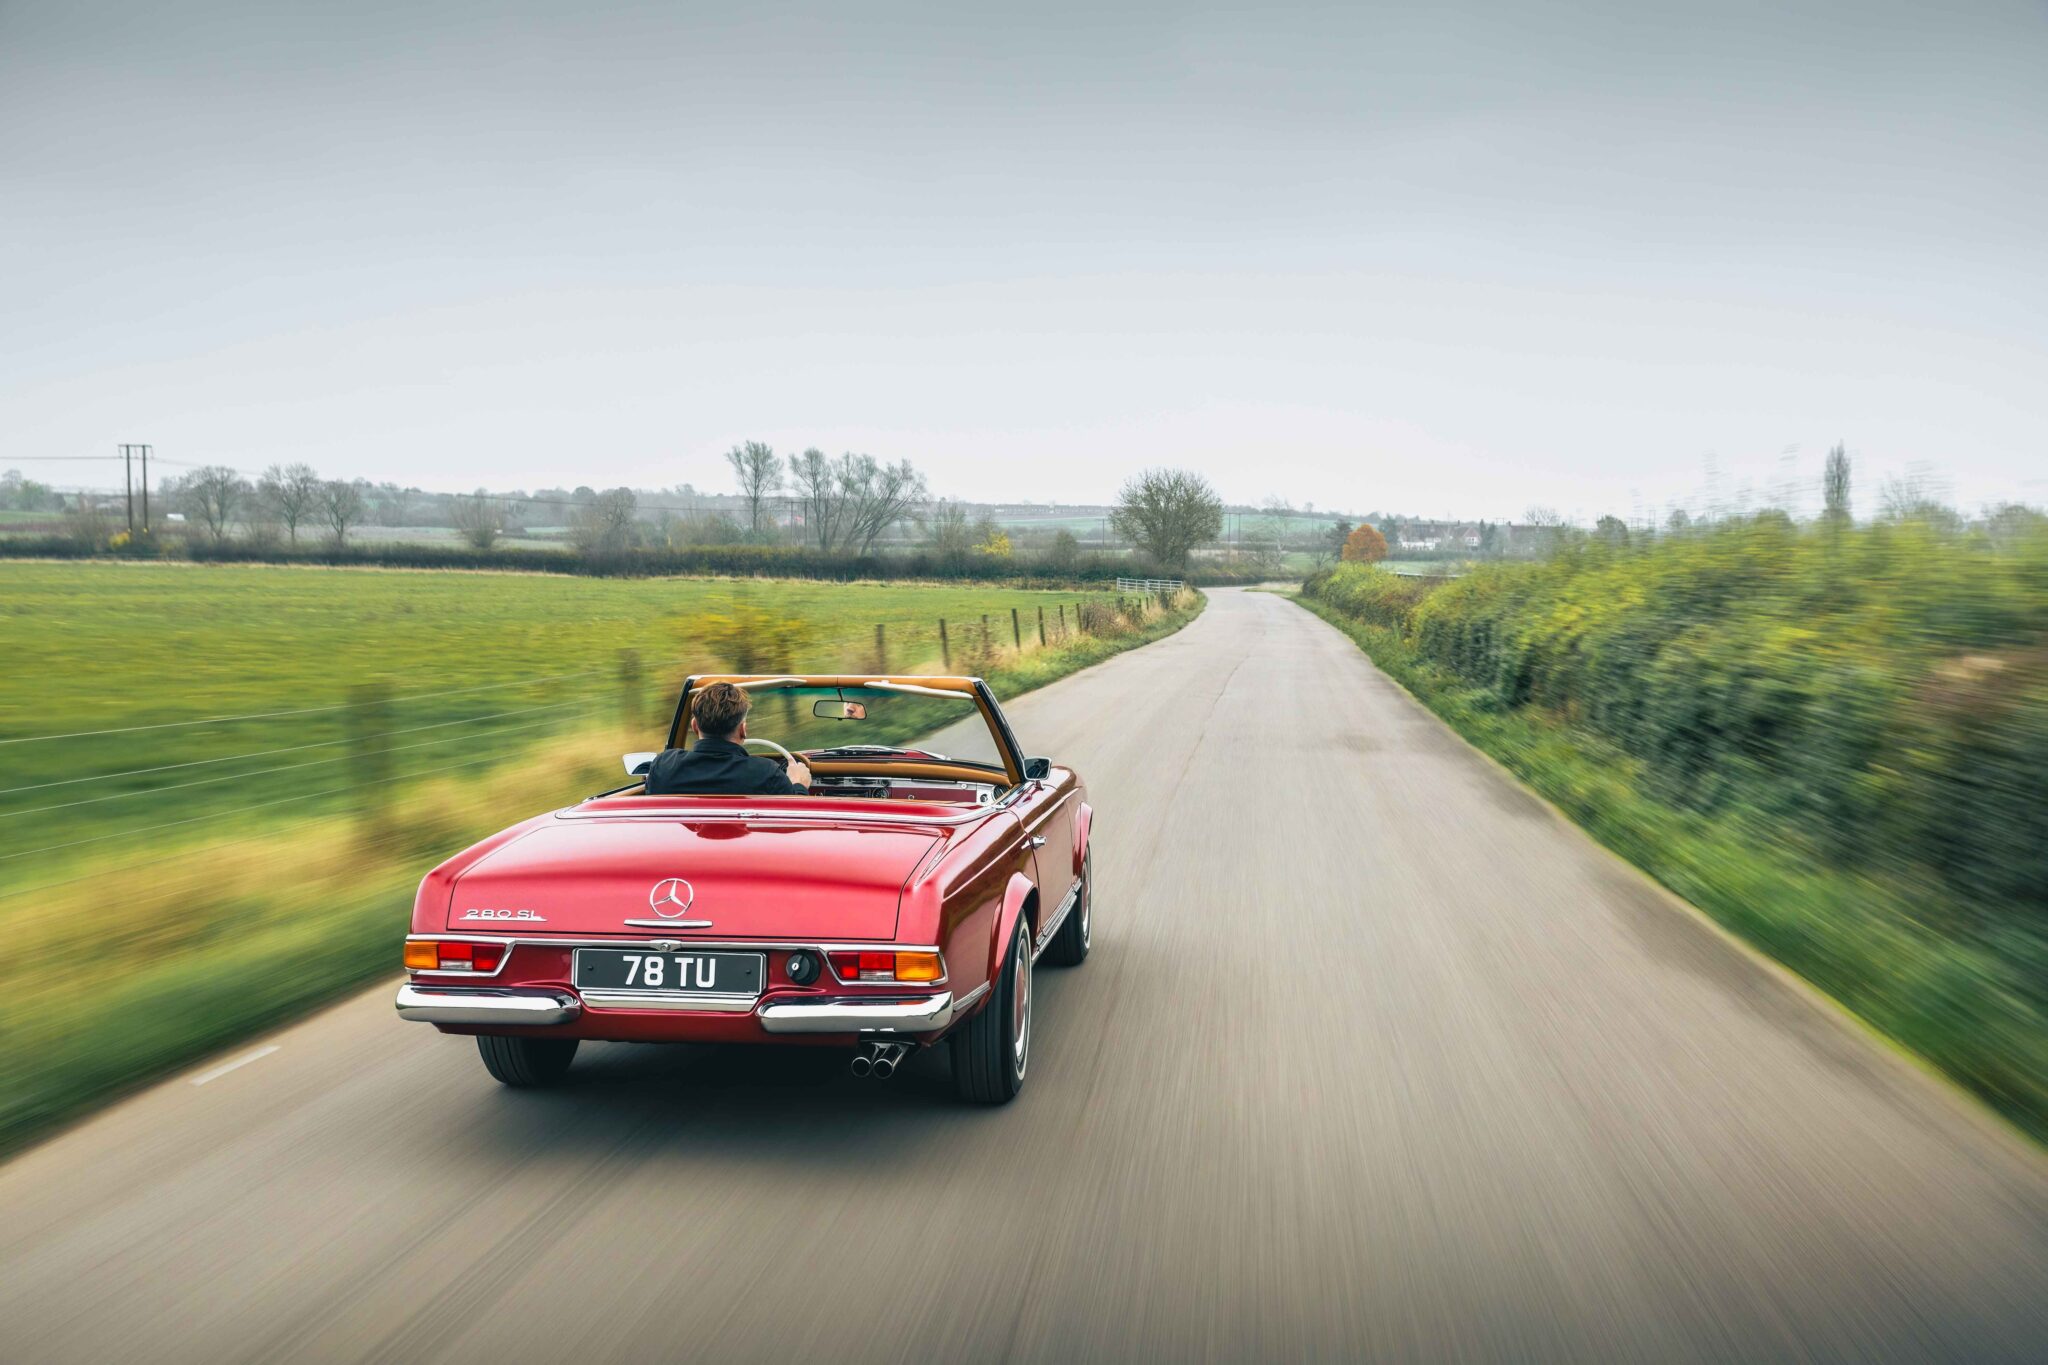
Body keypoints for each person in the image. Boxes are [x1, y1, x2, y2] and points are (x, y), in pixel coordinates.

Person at [641, 681, 812, 796]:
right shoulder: (766, 774)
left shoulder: (664, 766)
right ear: (743, 730)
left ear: (694, 726)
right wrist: (799, 785)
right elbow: (794, 826)